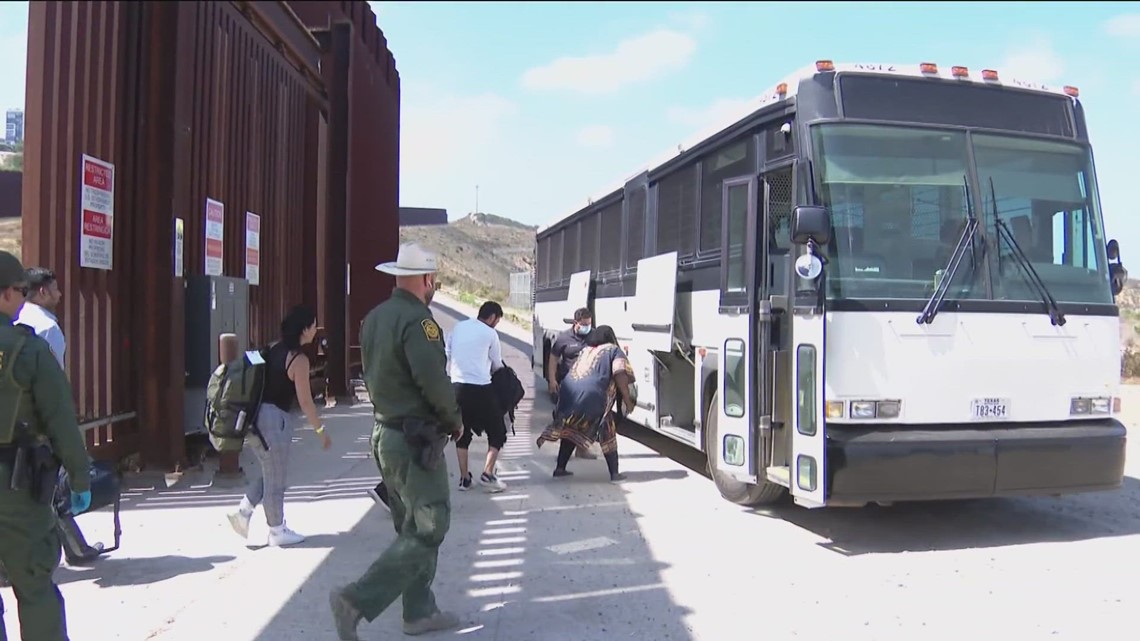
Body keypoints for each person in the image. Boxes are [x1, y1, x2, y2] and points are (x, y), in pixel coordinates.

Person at [329, 242, 463, 640]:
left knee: (411, 528)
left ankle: (419, 611)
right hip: (414, 439)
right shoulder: (420, 322)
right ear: (425, 280)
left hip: (385, 434)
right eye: (433, 280)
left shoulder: (374, 318)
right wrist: (454, 421)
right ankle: (356, 599)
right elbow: (434, 381)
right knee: (430, 526)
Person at [0, 250, 91, 641]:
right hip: (17, 487)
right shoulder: (29, 350)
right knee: (34, 586)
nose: (23, 300)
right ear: (5, 294)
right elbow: (61, 422)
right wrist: (81, 478)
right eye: (20, 291)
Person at [226, 305, 332, 547]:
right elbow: (305, 402)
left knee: (270, 471)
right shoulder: (299, 360)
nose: (316, 329)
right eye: (314, 325)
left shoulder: (273, 347)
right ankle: (277, 530)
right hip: (275, 421)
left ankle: (243, 512)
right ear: (304, 330)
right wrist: (320, 431)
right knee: (277, 479)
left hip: (254, 418)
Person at [536, 325, 634, 482]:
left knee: (569, 429)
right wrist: (628, 401)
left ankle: (560, 468)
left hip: (568, 397)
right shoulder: (614, 350)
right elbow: (620, 374)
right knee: (607, 431)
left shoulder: (586, 350)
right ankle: (614, 474)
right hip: (594, 399)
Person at [447, 301, 508, 493]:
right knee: (498, 431)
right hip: (481, 388)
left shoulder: (459, 327)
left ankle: (465, 479)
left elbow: (447, 352)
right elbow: (497, 364)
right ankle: (488, 473)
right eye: (497, 320)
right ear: (492, 317)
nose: (496, 324)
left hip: (457, 387)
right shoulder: (490, 333)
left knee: (462, 432)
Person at [546, 306, 598, 460]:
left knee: (586, 419)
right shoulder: (564, 338)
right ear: (576, 323)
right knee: (568, 419)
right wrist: (552, 380)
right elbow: (553, 359)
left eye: (589, 323)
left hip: (589, 385)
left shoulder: (594, 336)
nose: (587, 327)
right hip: (569, 385)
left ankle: (582, 449)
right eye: (584, 324)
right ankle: (563, 454)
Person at [14, 267, 65, 369]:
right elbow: (53, 374)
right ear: (43, 292)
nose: (59, 294)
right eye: (55, 289)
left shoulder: (13, 318)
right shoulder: (48, 327)